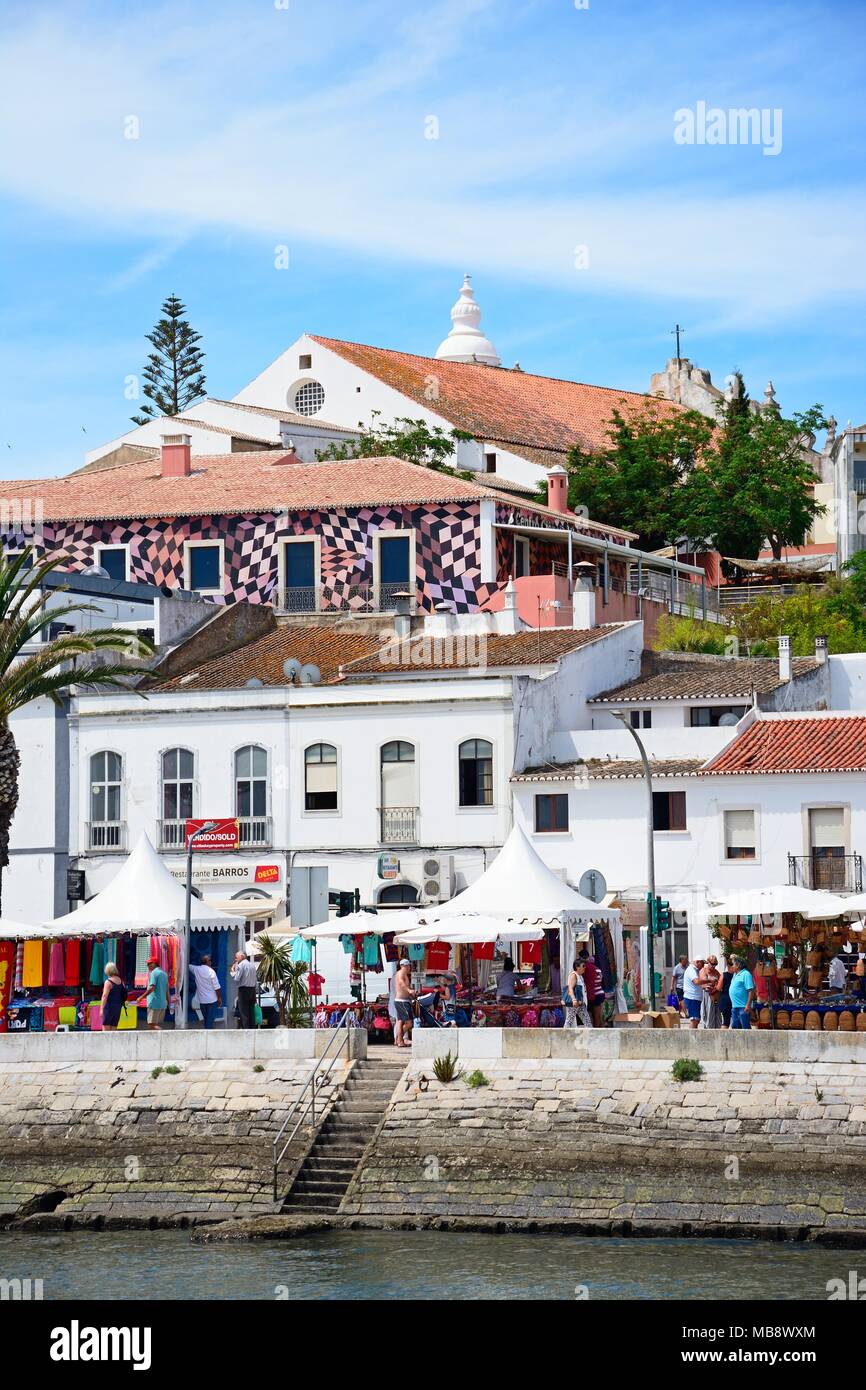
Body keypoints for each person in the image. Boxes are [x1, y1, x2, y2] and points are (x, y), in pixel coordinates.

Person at [189, 955, 222, 1029]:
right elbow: (217, 987)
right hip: (212, 1000)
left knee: (206, 1021)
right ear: (208, 962)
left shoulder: (196, 969)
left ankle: (206, 1036)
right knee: (209, 1022)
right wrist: (219, 999)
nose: (211, 962)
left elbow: (188, 966)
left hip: (202, 1001)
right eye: (210, 960)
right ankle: (208, 1038)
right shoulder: (211, 972)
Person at [231, 951, 258, 1029]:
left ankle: (246, 1031)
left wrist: (232, 971)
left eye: (236, 957)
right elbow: (255, 980)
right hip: (252, 990)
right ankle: (253, 1029)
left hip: (243, 990)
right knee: (251, 1012)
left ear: (242, 956)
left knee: (244, 1013)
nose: (235, 959)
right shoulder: (252, 965)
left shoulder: (241, 965)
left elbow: (237, 978)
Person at [393, 957, 416, 1048]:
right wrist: (409, 990)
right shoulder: (400, 973)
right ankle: (399, 1039)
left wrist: (411, 994)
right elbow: (401, 983)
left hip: (403, 1000)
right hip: (401, 1001)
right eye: (407, 966)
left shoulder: (405, 974)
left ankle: (399, 1040)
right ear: (402, 966)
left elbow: (405, 986)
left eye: (409, 966)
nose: (409, 967)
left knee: (400, 1022)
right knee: (409, 1023)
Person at [143, 953, 169, 1030]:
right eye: (147, 964)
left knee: (152, 1025)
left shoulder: (154, 973)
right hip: (162, 1004)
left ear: (154, 964)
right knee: (155, 1024)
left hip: (154, 1004)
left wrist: (141, 997)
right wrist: (169, 1003)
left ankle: (165, 1035)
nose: (148, 965)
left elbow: (151, 988)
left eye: (149, 963)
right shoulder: (164, 974)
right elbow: (167, 991)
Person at [562, 959, 591, 1029]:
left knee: (587, 1022)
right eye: (583, 966)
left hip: (580, 1003)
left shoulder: (579, 976)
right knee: (569, 1021)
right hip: (574, 1003)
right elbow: (570, 988)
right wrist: (574, 1000)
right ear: (577, 967)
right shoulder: (574, 975)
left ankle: (591, 1036)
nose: (585, 967)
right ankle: (563, 1036)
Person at [729, 957, 755, 1029]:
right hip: (735, 1007)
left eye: (732, 964)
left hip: (743, 1007)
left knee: (745, 1028)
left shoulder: (746, 974)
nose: (731, 966)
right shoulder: (735, 974)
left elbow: (751, 990)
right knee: (736, 1028)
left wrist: (748, 1005)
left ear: (738, 965)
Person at [100, 962, 127, 1032]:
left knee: (106, 1028)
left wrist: (101, 1008)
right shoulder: (121, 981)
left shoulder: (108, 982)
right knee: (114, 1028)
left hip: (109, 1007)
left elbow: (104, 996)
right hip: (118, 1007)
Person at [582, 952, 606, 1027]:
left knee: (595, 1017)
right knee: (598, 1016)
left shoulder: (587, 969)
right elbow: (600, 981)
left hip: (594, 994)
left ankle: (597, 1032)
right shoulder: (598, 970)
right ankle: (600, 1030)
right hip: (600, 993)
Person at [698, 956, 722, 1030]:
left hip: (716, 995)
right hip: (707, 994)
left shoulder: (716, 972)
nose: (714, 966)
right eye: (712, 964)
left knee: (717, 1015)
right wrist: (712, 983)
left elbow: (721, 981)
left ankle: (717, 1029)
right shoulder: (703, 971)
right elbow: (703, 984)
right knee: (709, 1015)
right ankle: (709, 1030)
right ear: (708, 963)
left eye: (716, 964)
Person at [682, 957, 704, 1030]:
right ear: (697, 962)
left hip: (695, 998)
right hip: (692, 998)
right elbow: (696, 981)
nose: (703, 965)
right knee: (694, 1020)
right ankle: (691, 1038)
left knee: (696, 1019)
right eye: (702, 963)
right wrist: (709, 981)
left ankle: (693, 1037)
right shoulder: (691, 970)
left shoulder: (695, 970)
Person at [719, 957, 734, 1029]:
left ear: (727, 965)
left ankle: (723, 1038)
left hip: (725, 999)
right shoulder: (737, 975)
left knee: (725, 1021)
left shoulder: (724, 975)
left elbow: (719, 988)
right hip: (734, 999)